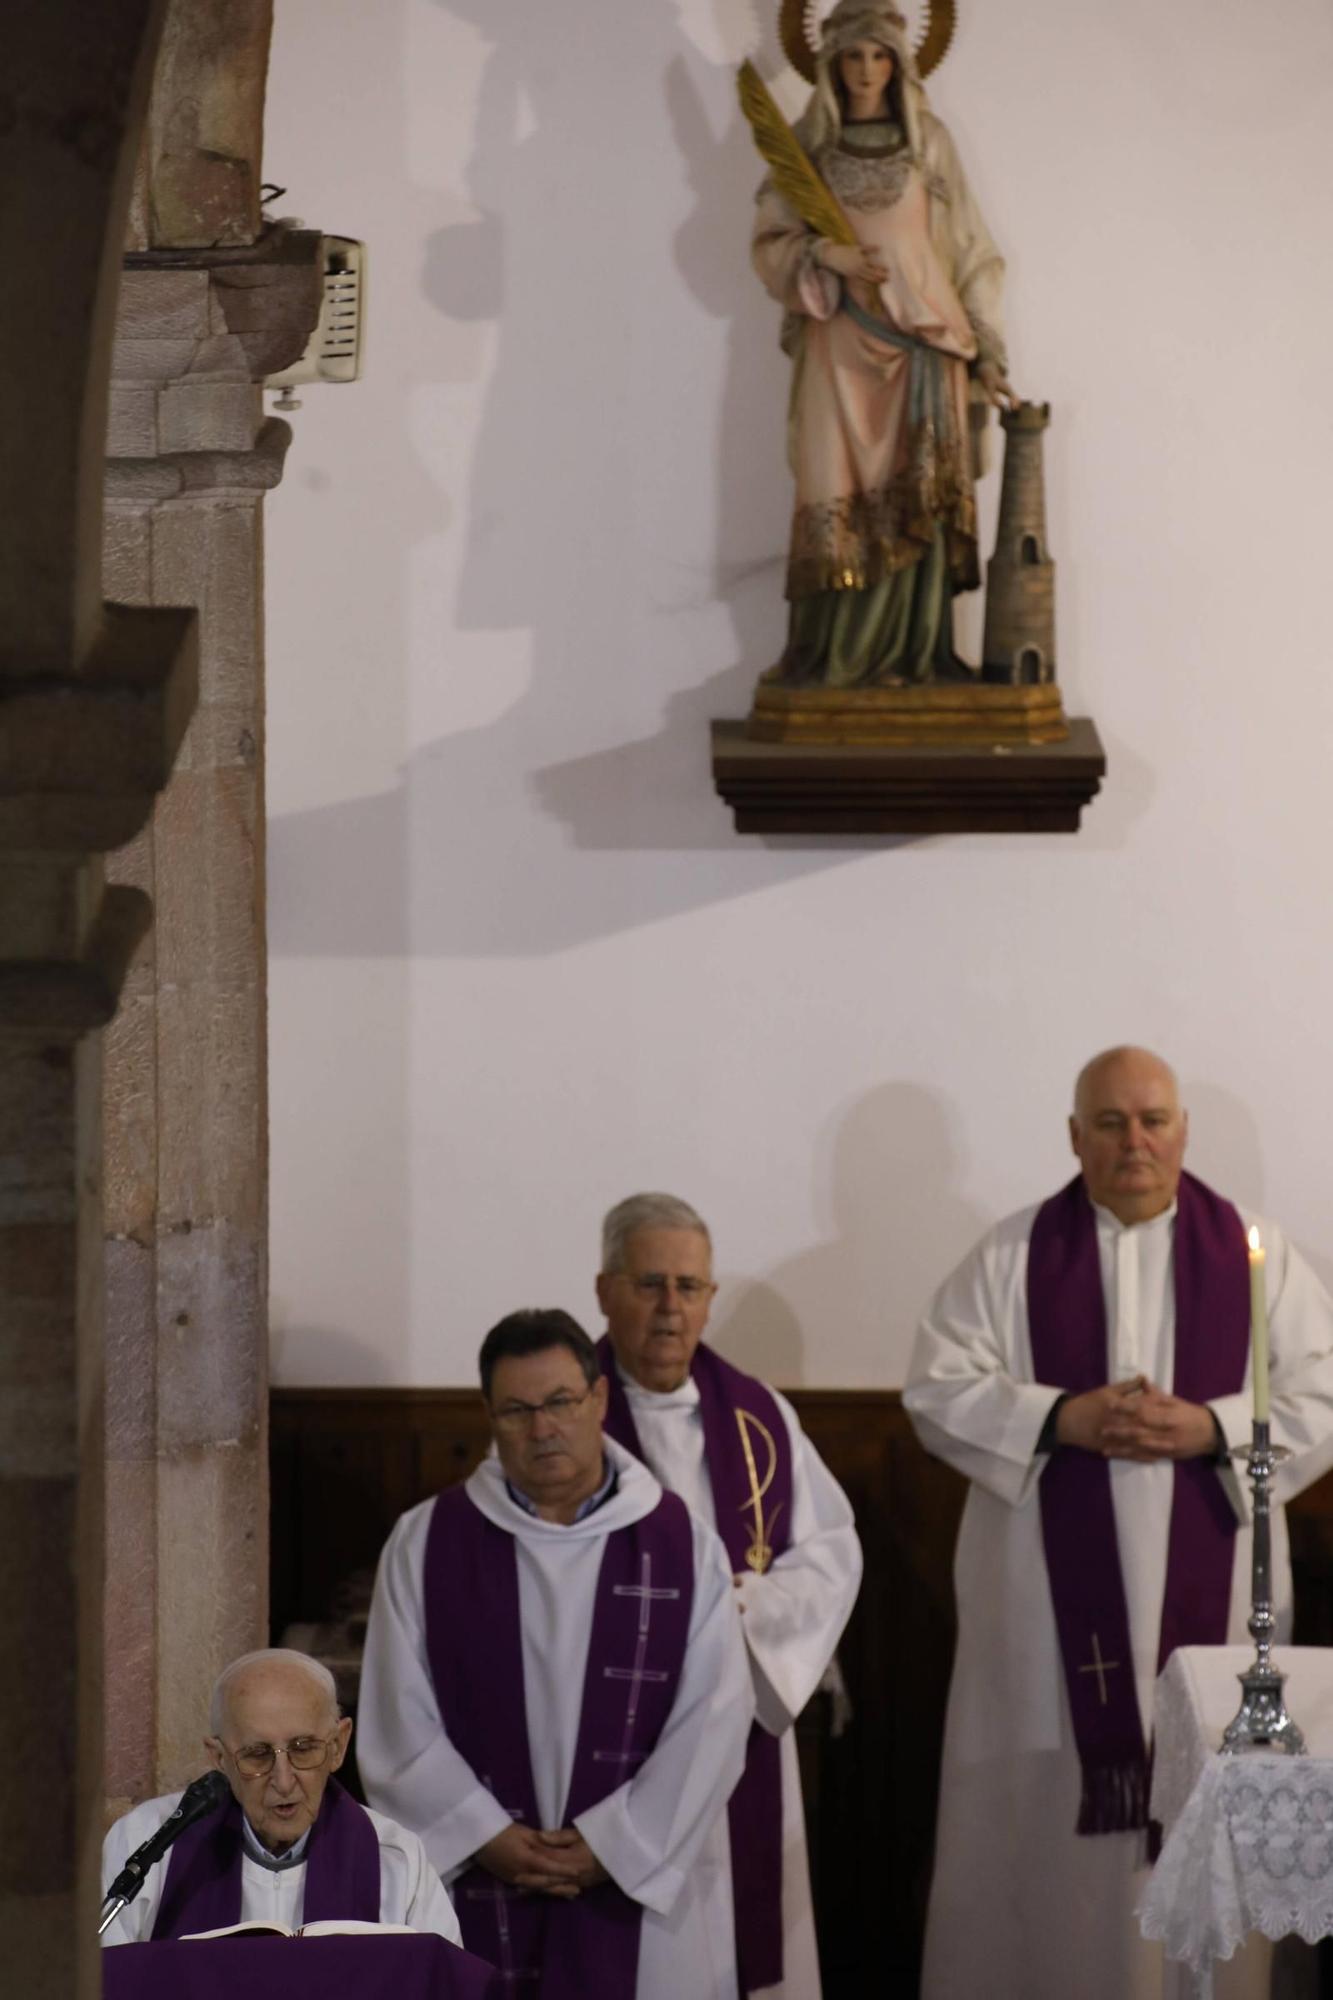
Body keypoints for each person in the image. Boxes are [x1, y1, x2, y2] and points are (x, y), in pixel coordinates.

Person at [904, 1046, 1333, 2000]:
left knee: (1210, 1812)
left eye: (1151, 1121)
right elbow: (934, 1390)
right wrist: (1063, 1418)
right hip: (1040, 1634)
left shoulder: (1258, 1257)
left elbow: (1323, 1396)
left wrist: (1209, 1427)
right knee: (1039, 1842)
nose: (1132, 1142)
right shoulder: (1010, 1257)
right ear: (1073, 1137)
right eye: (1108, 1123)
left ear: (1182, 1132)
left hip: (1219, 1618)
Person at [357, 1309, 754, 1999]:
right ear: (487, 1414)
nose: (542, 1429)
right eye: (516, 1410)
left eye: (561, 1402)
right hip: (476, 1880)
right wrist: (483, 1833)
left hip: (638, 1893)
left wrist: (616, 1843)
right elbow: (396, 1714)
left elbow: (715, 1716)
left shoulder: (681, 1543)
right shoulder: (426, 1542)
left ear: (598, 1399)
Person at [594, 1193, 862, 2000]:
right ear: (604, 1291)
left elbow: (829, 1553)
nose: (671, 1309)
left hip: (738, 1712)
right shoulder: (566, 1415)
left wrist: (730, 1617)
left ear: (710, 1297)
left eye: (689, 1286)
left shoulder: (758, 1418)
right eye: (649, 1284)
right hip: (615, 1730)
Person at [751, 1, 1012, 687]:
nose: (866, 70)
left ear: (899, 63)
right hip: (839, 338)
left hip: (924, 337)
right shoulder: (811, 146)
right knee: (834, 482)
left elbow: (969, 248)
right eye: (852, 55)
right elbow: (769, 239)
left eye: (879, 55)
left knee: (916, 490)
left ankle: (912, 653)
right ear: (830, 62)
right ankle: (833, 658)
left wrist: (984, 343)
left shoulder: (928, 141)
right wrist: (820, 255)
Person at [100, 1647, 462, 1944]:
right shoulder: (148, 1844)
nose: (284, 1781)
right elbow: (106, 1979)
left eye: (303, 1748)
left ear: (338, 1745)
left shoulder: (396, 1860)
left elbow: (440, 1983)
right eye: (257, 1754)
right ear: (220, 1758)